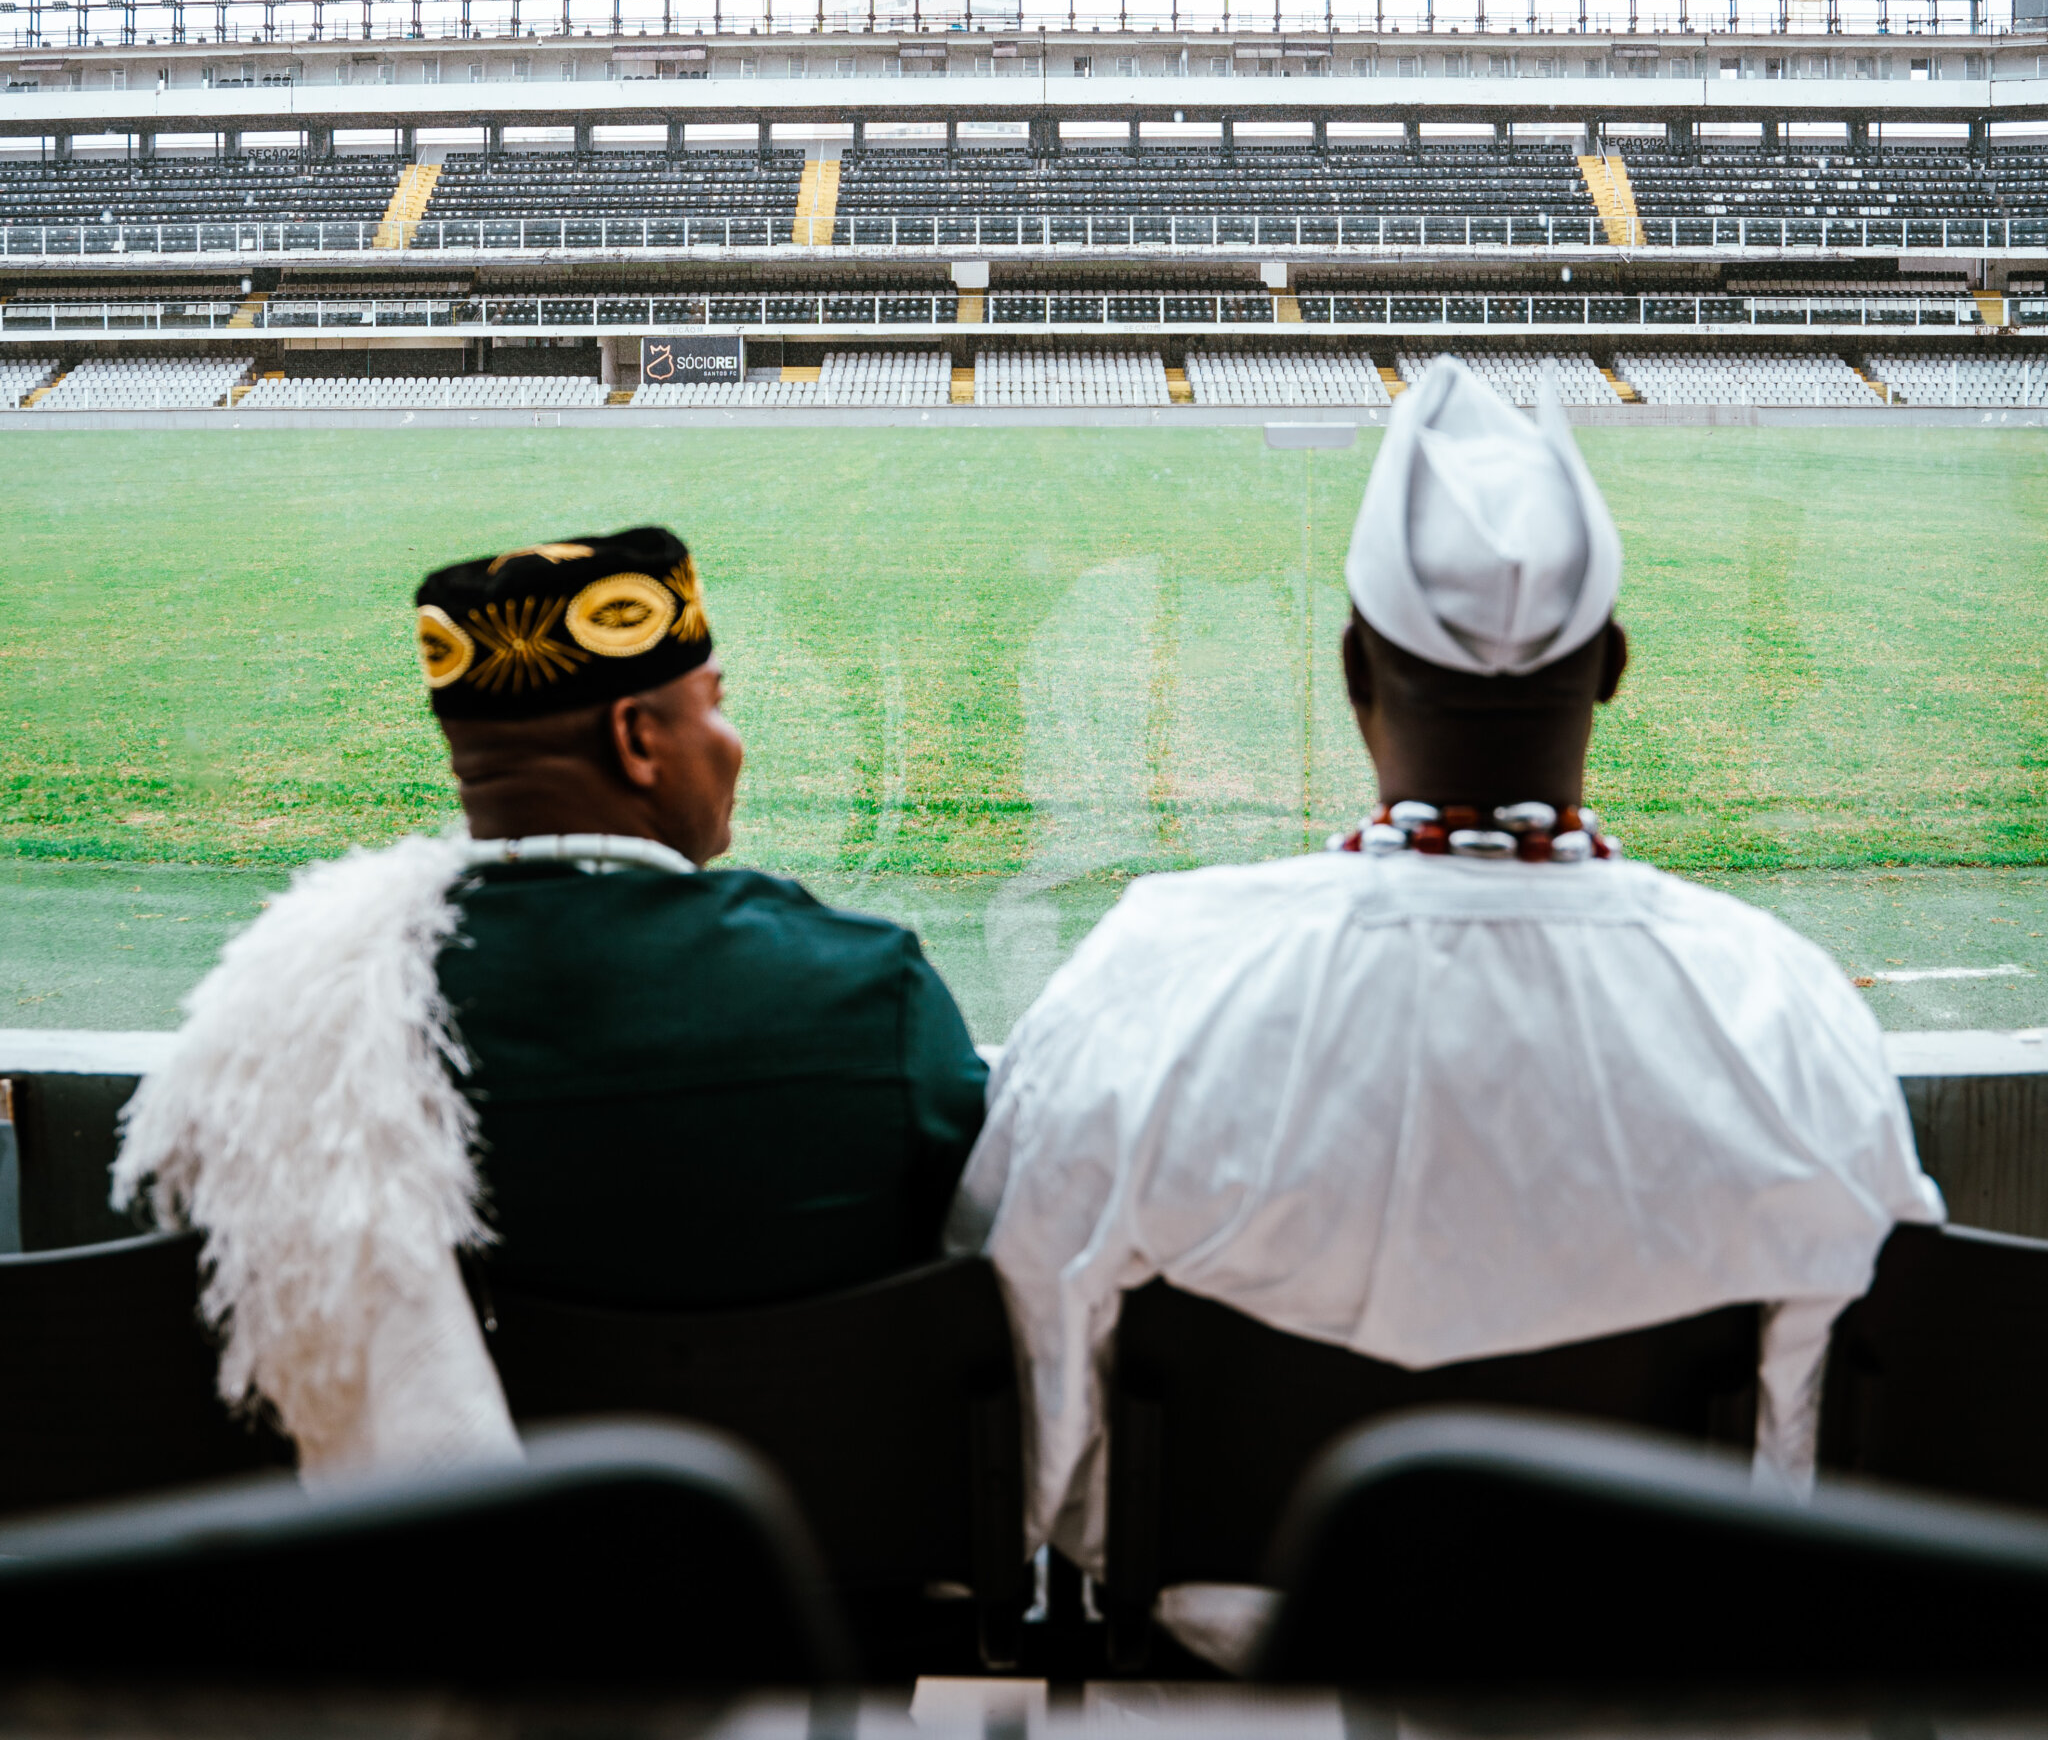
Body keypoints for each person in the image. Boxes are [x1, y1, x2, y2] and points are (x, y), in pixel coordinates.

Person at [948, 356, 1942, 1589]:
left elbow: (1028, 1438)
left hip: (1225, 1688)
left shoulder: (1147, 978)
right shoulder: (1786, 1010)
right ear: (1613, 667)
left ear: (1354, 670)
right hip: (1643, 1688)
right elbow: (1838, 1449)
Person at [117, 526, 986, 1475]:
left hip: (479, 1584)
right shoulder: (869, 990)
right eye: (716, 703)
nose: (731, 739)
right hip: (838, 1591)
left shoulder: (310, 1026)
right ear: (638, 738)